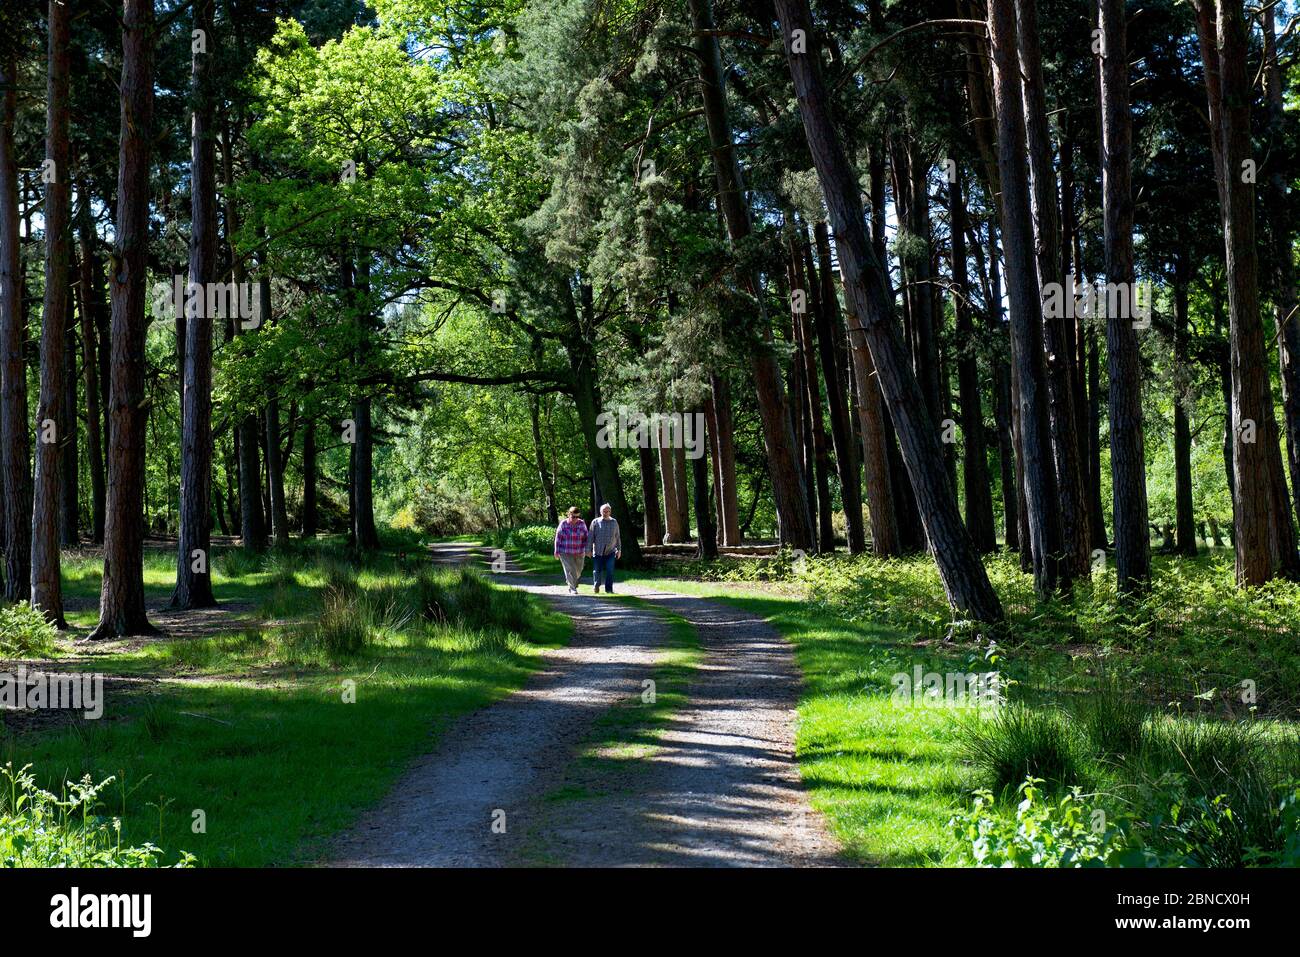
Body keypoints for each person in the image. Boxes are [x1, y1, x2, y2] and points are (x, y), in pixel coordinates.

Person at [553, 507, 589, 594]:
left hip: (579, 551)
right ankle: (572, 588)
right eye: (573, 517)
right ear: (569, 515)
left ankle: (572, 583)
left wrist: (587, 549)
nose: (575, 519)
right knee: (569, 569)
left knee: (578, 571)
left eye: (577, 517)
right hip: (565, 551)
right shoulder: (563, 524)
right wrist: (556, 551)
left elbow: (586, 537)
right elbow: (558, 538)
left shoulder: (582, 524)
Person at [589, 503, 622, 594]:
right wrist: (589, 550)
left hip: (610, 551)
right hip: (598, 551)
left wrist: (619, 550)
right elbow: (591, 537)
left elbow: (617, 537)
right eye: (604, 511)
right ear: (600, 512)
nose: (606, 513)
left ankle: (609, 590)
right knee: (597, 571)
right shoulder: (595, 522)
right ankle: (596, 585)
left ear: (610, 512)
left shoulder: (614, 522)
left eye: (607, 511)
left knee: (610, 571)